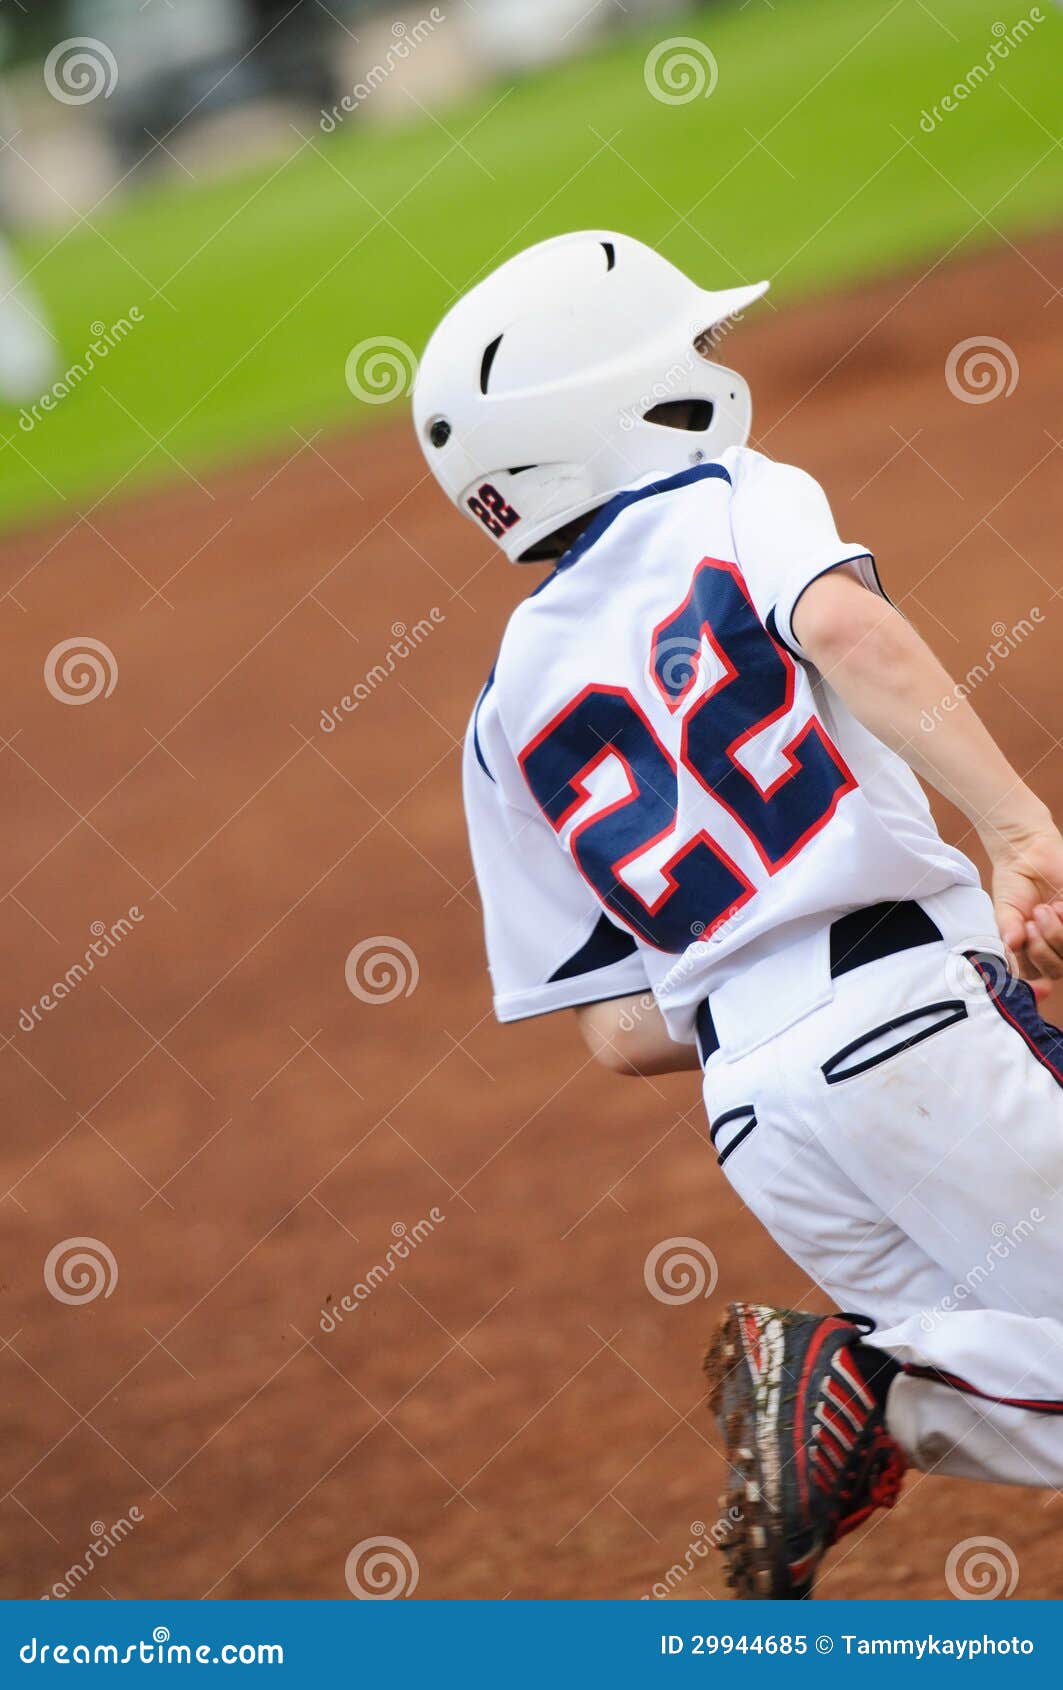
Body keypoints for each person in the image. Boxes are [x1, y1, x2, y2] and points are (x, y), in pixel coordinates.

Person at [411, 230, 1063, 1599]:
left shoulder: (503, 703)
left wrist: (761, 986)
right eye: (685, 350)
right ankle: (870, 1383)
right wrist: (1015, 826)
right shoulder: (726, 499)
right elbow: (849, 631)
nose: (714, 367)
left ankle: (871, 1387)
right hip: (912, 1018)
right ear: (614, 400)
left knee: (1028, 1384)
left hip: (757, 1111)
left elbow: (613, 1032)